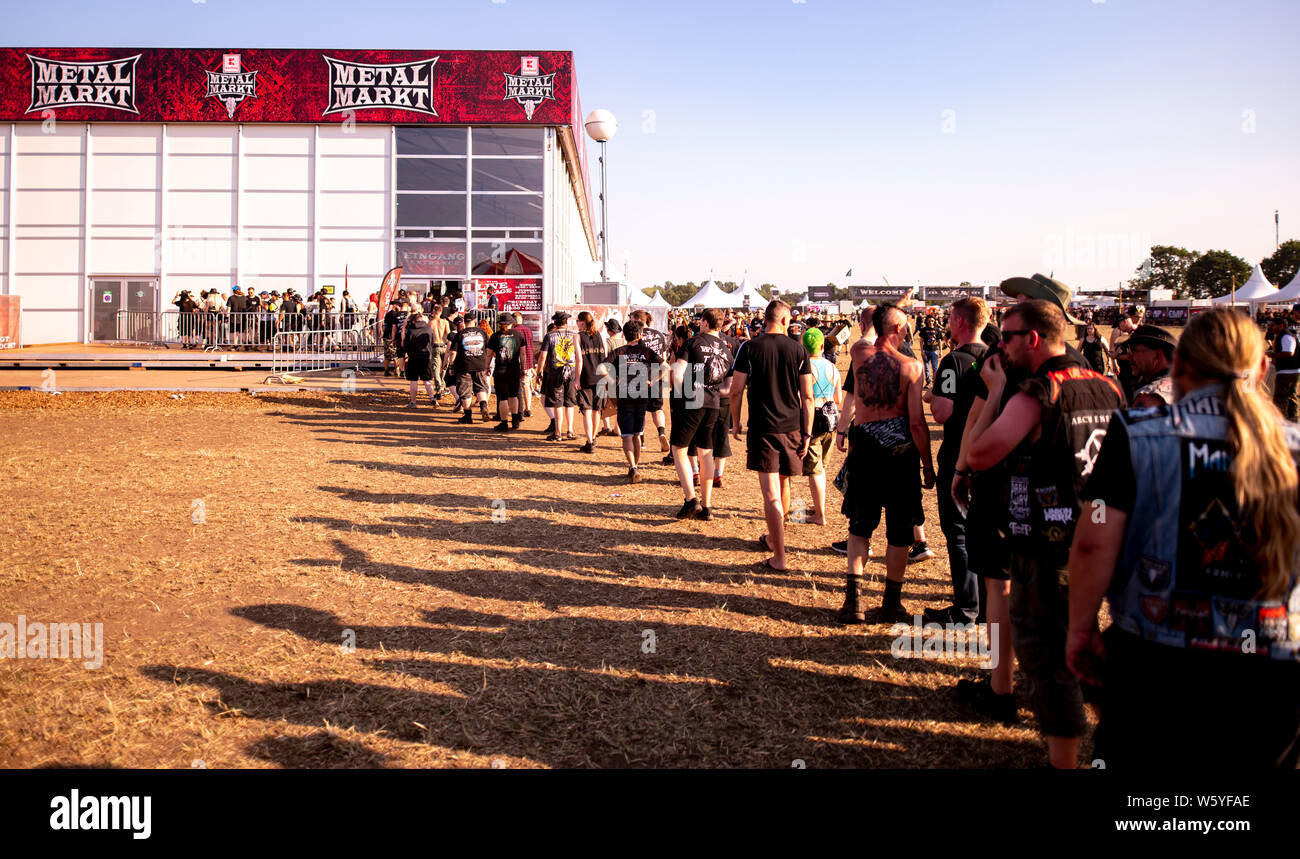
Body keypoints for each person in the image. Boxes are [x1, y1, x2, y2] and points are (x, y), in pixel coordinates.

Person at [1067, 307, 1300, 768]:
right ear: (1263, 368)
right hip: (1274, 664)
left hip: (1157, 659)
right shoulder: (1294, 446)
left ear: (1178, 368)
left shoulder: (1135, 435)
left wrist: (1080, 628)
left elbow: (1093, 539)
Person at [964, 299, 1124, 769]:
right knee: (1085, 644)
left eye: (1007, 337)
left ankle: (1064, 761)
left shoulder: (1038, 391)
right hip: (1097, 540)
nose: (1000, 347)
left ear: (1032, 338)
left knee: (1048, 661)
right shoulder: (1105, 384)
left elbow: (979, 453)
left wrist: (995, 392)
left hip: (1047, 547)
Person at [834, 303, 933, 623]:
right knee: (899, 532)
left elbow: (868, 337)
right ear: (896, 330)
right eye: (903, 326)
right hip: (900, 455)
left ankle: (854, 602)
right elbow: (917, 423)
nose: (907, 330)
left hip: (865, 450)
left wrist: (883, 318)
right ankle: (892, 602)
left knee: (859, 528)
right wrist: (927, 465)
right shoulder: (912, 368)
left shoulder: (860, 354)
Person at [729, 300, 814, 571]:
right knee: (784, 485)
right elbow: (808, 397)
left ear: (765, 319)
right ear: (786, 320)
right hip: (791, 429)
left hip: (763, 429)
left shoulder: (749, 347)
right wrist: (808, 433)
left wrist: (735, 422)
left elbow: (735, 390)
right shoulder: (798, 349)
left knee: (771, 495)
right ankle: (774, 539)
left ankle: (779, 556)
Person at [922, 297, 991, 625]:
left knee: (959, 532)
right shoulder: (997, 358)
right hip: (991, 455)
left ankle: (967, 606)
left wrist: (932, 396)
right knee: (986, 531)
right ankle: (987, 604)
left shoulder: (953, 361)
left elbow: (942, 412)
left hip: (958, 455)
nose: (947, 323)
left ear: (961, 322)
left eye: (950, 318)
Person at [669, 308, 734, 521]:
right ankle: (707, 505)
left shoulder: (693, 342)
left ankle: (690, 499)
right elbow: (728, 386)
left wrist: (681, 393)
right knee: (706, 450)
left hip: (692, 400)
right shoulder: (727, 348)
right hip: (714, 402)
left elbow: (677, 371)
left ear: (705, 322)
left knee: (679, 448)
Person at [599, 319, 664, 483]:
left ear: (624, 334)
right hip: (642, 395)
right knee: (637, 434)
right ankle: (636, 466)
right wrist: (653, 381)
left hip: (624, 395)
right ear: (640, 334)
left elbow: (601, 368)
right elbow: (666, 367)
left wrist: (612, 381)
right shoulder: (646, 351)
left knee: (626, 435)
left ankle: (633, 466)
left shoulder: (620, 351)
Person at [801, 326, 842, 527]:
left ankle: (819, 514)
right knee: (822, 466)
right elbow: (839, 397)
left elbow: (803, 396)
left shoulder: (805, 366)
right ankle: (819, 506)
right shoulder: (833, 367)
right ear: (822, 345)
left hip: (815, 418)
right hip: (832, 417)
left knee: (814, 469)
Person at [631, 310, 673, 453]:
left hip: (640, 373)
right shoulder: (659, 335)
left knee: (639, 409)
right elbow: (664, 357)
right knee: (657, 408)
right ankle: (661, 432)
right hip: (658, 374)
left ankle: (641, 441)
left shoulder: (637, 334)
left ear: (637, 320)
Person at [537, 311, 582, 441]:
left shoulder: (549, 336)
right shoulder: (575, 336)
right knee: (570, 403)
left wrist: (539, 371)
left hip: (555, 372)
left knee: (557, 403)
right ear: (566, 323)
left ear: (555, 323)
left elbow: (543, 356)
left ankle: (557, 432)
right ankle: (570, 430)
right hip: (572, 371)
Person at [447, 312, 492, 424]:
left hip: (464, 366)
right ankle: (484, 406)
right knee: (481, 387)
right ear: (474, 321)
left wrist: (451, 366)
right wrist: (487, 364)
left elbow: (453, 352)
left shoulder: (460, 333)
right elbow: (488, 350)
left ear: (464, 322)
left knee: (465, 391)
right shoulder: (482, 333)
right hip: (480, 365)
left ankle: (468, 416)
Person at [485, 314, 525, 431]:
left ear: (500, 324)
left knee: (503, 398)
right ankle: (515, 419)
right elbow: (522, 354)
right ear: (511, 323)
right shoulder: (518, 335)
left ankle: (504, 423)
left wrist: (486, 367)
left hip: (500, 370)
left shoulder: (495, 336)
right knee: (513, 395)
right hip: (514, 369)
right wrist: (523, 368)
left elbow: (489, 354)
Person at [576, 311, 607, 453]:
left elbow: (579, 360)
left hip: (586, 377)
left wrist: (576, 379)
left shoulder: (578, 337)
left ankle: (589, 442)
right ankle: (593, 438)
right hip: (600, 377)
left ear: (582, 322)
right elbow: (604, 357)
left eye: (577, 321)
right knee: (597, 410)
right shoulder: (599, 335)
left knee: (587, 411)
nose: (576, 323)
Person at [1127, 324, 1177, 408]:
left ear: (1157, 356)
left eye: (1133, 350)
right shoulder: (1191, 387)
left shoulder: (1148, 397)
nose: (1129, 357)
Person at [1269, 304, 1300, 420]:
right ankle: (1293, 420)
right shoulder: (1284, 331)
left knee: (1281, 399)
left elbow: (1288, 353)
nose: (1270, 327)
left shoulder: (1286, 335)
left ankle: (1282, 422)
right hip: (1291, 368)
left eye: (1272, 325)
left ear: (1280, 326)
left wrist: (1272, 355)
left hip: (1289, 369)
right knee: (1291, 397)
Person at [401, 310, 437, 407]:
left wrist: (408, 353)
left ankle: (413, 402)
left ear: (414, 321)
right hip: (426, 357)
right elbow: (432, 342)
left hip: (413, 357)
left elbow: (405, 345)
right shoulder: (429, 329)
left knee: (413, 380)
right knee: (427, 380)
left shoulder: (411, 331)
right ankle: (432, 398)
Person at [513, 312, 537, 419]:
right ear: (521, 319)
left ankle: (516, 409)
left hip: (516, 362)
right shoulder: (528, 330)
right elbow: (530, 348)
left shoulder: (513, 331)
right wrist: (531, 364)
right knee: (526, 386)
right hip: (527, 362)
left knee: (515, 387)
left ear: (514, 320)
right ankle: (528, 409)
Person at [381, 299, 407, 377]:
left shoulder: (388, 314)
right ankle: (397, 371)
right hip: (391, 336)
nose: (399, 307)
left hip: (386, 336)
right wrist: (393, 338)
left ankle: (386, 370)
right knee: (395, 355)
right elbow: (394, 327)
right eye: (399, 305)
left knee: (387, 355)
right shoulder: (394, 314)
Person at [919, 313, 943, 387]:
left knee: (935, 368)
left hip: (934, 351)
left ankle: (935, 383)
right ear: (926, 321)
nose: (930, 322)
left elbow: (939, 341)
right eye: (929, 321)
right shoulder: (924, 330)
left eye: (932, 320)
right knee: (926, 368)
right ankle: (928, 382)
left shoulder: (937, 330)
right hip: (926, 351)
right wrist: (922, 351)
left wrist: (941, 351)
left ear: (934, 321)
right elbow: (921, 341)